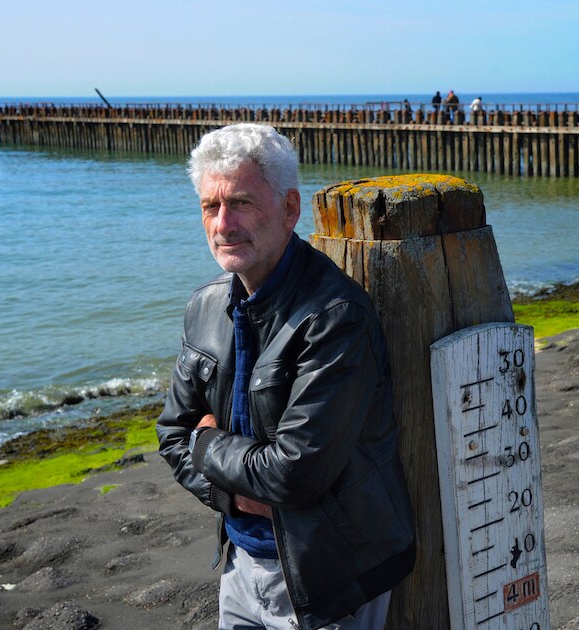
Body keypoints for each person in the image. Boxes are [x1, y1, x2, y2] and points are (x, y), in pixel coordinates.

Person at [157, 123, 417, 630]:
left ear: (290, 208)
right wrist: (229, 495)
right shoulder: (205, 307)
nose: (223, 224)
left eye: (241, 203)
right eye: (211, 206)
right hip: (239, 562)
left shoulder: (335, 316)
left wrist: (207, 445)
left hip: (330, 575)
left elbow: (293, 474)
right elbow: (171, 434)